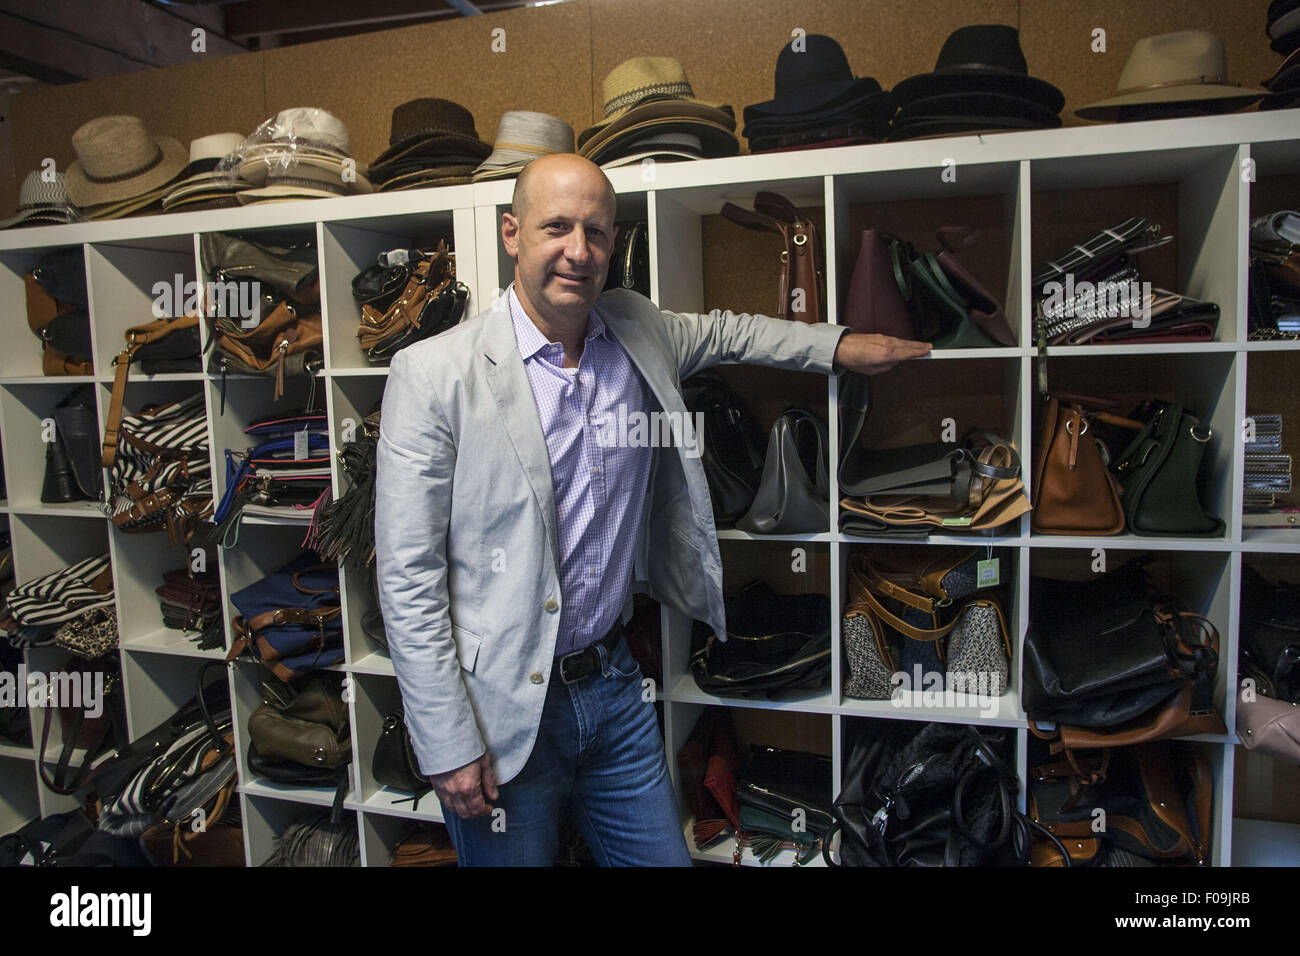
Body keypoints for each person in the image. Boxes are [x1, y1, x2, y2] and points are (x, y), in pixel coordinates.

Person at [374, 153, 930, 866]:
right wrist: (446, 740)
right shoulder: (433, 375)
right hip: (501, 710)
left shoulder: (636, 328)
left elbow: (735, 332)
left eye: (597, 233)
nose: (579, 251)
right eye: (557, 228)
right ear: (512, 233)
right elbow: (408, 577)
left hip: (611, 689)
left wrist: (841, 345)